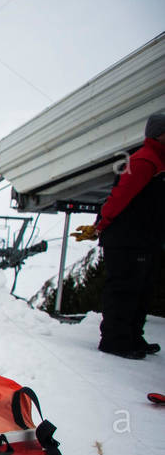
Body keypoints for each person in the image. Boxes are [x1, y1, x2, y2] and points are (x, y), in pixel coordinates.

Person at [75, 110, 165, 359]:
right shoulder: (144, 161)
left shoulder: (157, 161)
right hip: (127, 240)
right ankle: (115, 340)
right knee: (125, 289)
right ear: (159, 135)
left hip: (144, 239)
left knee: (142, 289)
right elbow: (119, 197)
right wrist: (100, 225)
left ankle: (133, 336)